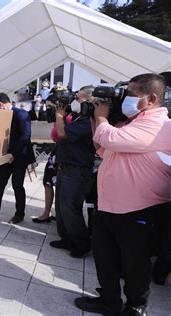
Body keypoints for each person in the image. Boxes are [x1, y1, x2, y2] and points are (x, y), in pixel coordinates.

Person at [75, 74, 171, 316]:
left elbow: (111, 139)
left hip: (139, 209)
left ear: (150, 98)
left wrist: (102, 117)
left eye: (130, 94)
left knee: (135, 265)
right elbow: (103, 147)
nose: (124, 98)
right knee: (105, 259)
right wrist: (97, 118)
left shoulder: (161, 125)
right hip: (109, 206)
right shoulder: (133, 123)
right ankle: (109, 300)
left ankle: (135, 307)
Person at [49, 86, 96, 258]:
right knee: (61, 208)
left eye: (78, 98)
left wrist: (60, 116)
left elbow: (62, 134)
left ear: (90, 100)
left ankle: (82, 242)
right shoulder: (77, 118)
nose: (74, 102)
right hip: (66, 167)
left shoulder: (87, 121)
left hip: (77, 170)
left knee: (70, 208)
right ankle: (66, 239)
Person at [0, 92, 36, 227]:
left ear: (0, 104)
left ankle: (20, 213)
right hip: (4, 156)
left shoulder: (21, 114)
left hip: (19, 156)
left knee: (17, 185)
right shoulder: (1, 116)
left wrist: (13, 154)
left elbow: (25, 136)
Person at [32, 94, 71, 223]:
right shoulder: (58, 118)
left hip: (63, 154)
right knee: (48, 182)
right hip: (57, 151)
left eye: (50, 106)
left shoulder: (67, 118)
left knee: (54, 183)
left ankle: (54, 213)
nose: (48, 109)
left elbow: (60, 135)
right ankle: (48, 212)